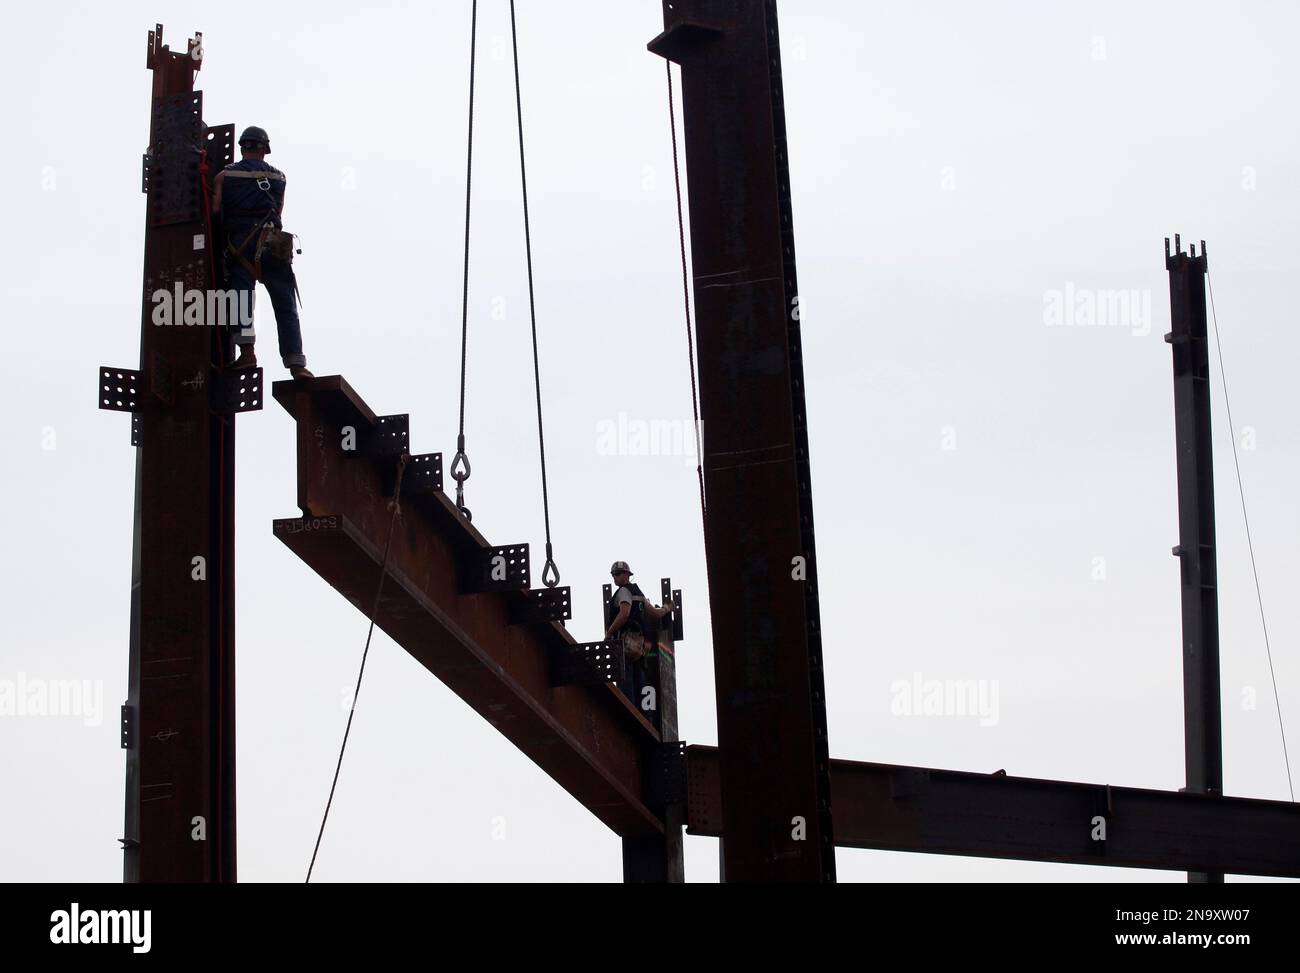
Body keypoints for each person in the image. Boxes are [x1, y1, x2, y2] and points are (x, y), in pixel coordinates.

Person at [211, 126, 313, 378]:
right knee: (285, 303)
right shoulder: (280, 178)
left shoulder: (224, 177)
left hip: (242, 245)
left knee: (241, 298)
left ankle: (247, 354)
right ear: (265, 149)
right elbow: (278, 213)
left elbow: (214, 212)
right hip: (273, 244)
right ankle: (296, 364)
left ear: (242, 148)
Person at [604, 560, 674, 705]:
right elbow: (655, 613)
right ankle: (643, 713)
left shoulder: (623, 591)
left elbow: (624, 614)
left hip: (624, 643)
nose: (615, 577)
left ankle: (628, 712)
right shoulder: (638, 594)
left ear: (627, 575)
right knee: (639, 679)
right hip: (639, 646)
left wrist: (609, 633)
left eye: (617, 574)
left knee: (625, 681)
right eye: (613, 575)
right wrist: (667, 608)